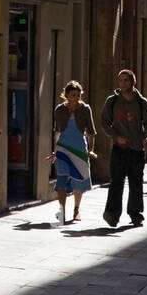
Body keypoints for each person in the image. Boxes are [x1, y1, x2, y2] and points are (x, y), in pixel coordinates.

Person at [101, 70, 147, 227]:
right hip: (119, 149)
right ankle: (112, 214)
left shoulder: (142, 102)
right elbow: (104, 122)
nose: (123, 83)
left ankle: (135, 214)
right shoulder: (112, 101)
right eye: (120, 80)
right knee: (116, 182)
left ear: (133, 82)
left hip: (136, 149)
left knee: (136, 183)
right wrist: (116, 137)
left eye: (126, 80)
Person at [49, 81, 97, 224]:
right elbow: (57, 132)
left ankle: (76, 209)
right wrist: (54, 151)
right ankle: (62, 211)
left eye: (78, 95)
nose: (76, 98)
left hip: (79, 149)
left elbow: (91, 132)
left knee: (79, 179)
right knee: (62, 180)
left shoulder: (85, 109)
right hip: (63, 149)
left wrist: (91, 149)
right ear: (66, 95)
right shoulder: (59, 110)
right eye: (73, 95)